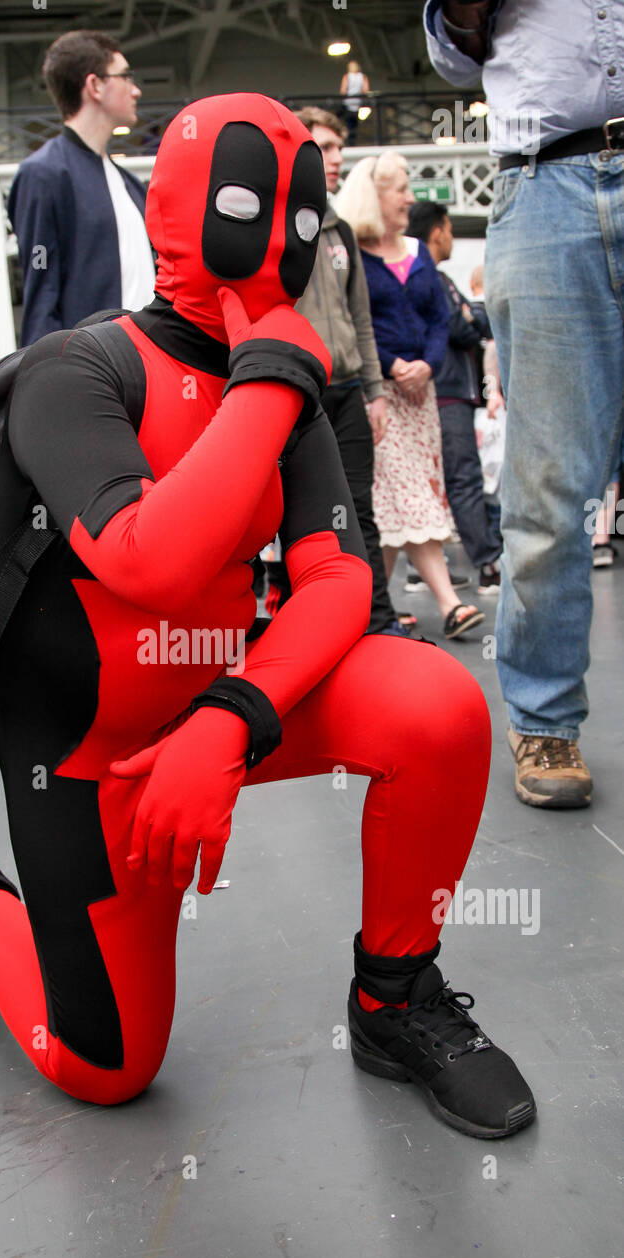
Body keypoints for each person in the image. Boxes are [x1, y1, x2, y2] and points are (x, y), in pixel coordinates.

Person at [0, 94, 535, 1141]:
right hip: (89, 757)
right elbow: (148, 560)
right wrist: (271, 375)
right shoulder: (77, 372)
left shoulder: (279, 381)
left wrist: (226, 717)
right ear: (180, 209)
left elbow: (339, 579)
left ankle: (392, 998)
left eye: (302, 217)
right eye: (255, 205)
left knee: (434, 707)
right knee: (105, 1067)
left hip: (217, 710)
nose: (282, 241)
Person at [424, 0, 620, 809]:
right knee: (550, 485)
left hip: (552, 186)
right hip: (547, 181)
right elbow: (453, 58)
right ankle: (541, 715)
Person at [336, 153, 485, 639]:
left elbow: (440, 320)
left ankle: (368, 606)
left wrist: (428, 363)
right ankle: (449, 602)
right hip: (378, 397)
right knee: (410, 496)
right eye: (400, 188)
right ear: (373, 195)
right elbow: (352, 321)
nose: (410, 199)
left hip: (424, 400)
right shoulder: (351, 252)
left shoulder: (419, 252)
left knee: (398, 504)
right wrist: (388, 366)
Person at [294, 106, 413, 637]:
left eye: (340, 148)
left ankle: (379, 623)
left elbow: (359, 317)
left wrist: (375, 391)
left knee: (359, 512)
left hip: (347, 394)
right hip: (296, 396)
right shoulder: (275, 227)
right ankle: (314, 625)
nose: (337, 158)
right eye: (324, 147)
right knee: (301, 518)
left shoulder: (340, 229)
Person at [8, 30, 155, 347]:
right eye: (126, 77)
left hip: (147, 368)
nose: (136, 90)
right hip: (92, 374)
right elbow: (41, 293)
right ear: (95, 86)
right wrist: (45, 381)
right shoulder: (43, 174)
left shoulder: (130, 185)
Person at [408, 200, 502, 594]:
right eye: (447, 228)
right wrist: (466, 317)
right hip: (446, 392)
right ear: (437, 231)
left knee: (436, 480)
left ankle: (425, 569)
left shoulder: (430, 277)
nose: (449, 236)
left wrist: (468, 317)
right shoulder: (431, 278)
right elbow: (462, 327)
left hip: (440, 391)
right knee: (462, 477)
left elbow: (473, 321)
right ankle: (488, 564)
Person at [340, 59, 369, 144]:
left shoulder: (347, 77)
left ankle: (350, 141)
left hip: (348, 102)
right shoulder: (363, 77)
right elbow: (365, 90)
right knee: (355, 123)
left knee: (348, 123)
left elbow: (343, 91)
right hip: (357, 102)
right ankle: (353, 140)